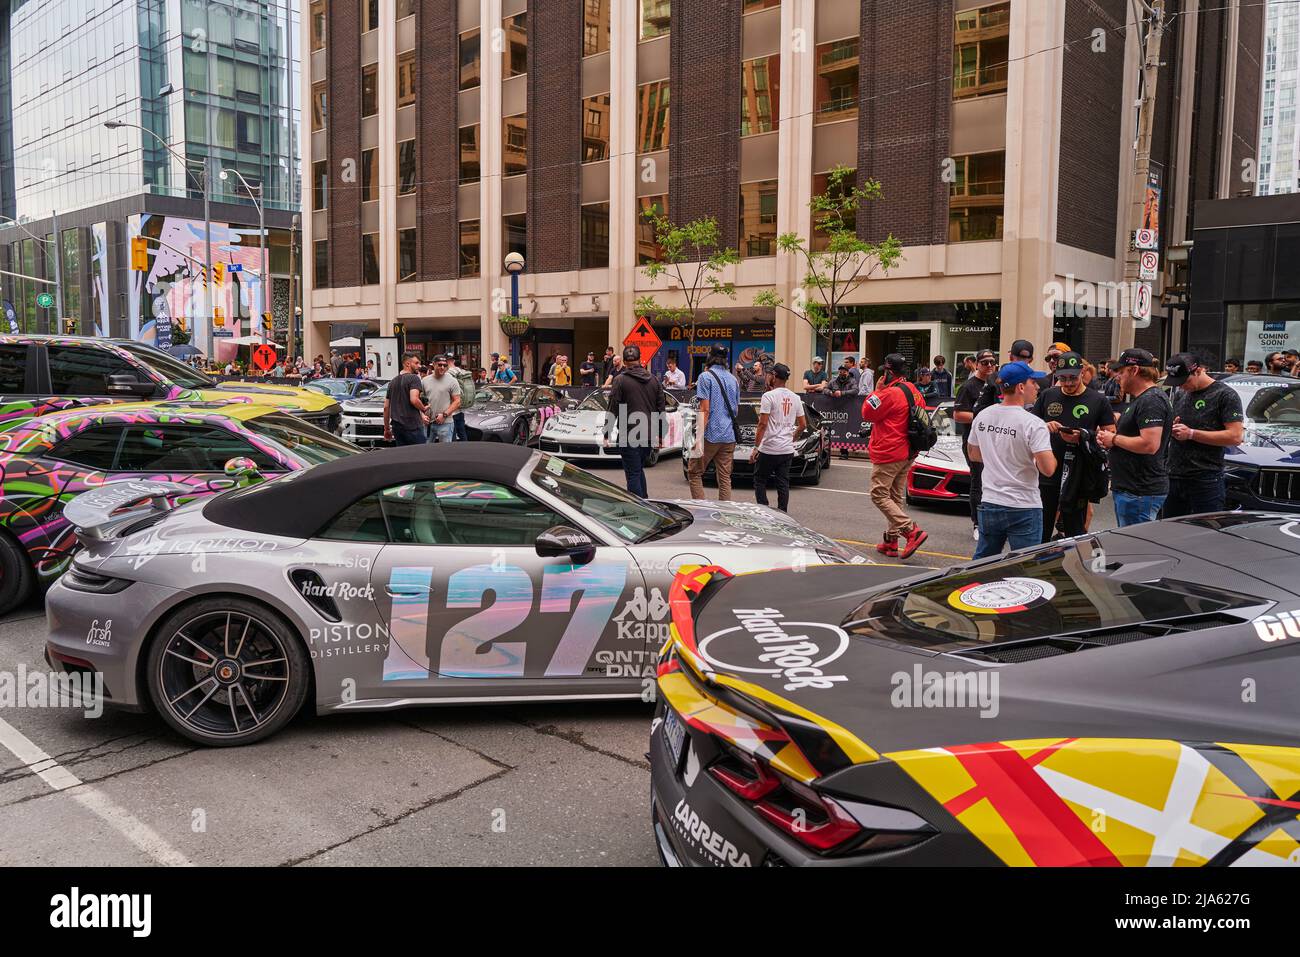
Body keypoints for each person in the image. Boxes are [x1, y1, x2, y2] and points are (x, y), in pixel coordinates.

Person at [967, 362, 1056, 558]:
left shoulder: (983, 416)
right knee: (1026, 566)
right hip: (1024, 505)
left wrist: (998, 457)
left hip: (991, 501)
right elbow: (1048, 469)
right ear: (1021, 387)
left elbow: (973, 454)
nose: (1038, 386)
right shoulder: (1033, 424)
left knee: (982, 562)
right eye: (1034, 381)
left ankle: (974, 588)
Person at [1031, 351, 1115, 542]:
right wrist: (1044, 427)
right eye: (1063, 378)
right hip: (1048, 469)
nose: (1068, 383)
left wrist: (1084, 436)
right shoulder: (1047, 395)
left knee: (1074, 531)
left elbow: (1110, 434)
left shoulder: (1097, 400)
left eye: (1073, 378)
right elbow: (1030, 428)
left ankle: (1074, 568)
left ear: (1083, 371)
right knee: (1041, 528)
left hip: (1078, 473)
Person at [860, 354, 928, 560]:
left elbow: (866, 412)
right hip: (908, 452)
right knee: (895, 497)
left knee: (879, 494)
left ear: (889, 372)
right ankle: (891, 541)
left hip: (890, 451)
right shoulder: (914, 391)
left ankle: (911, 531)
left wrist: (878, 390)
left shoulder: (888, 394)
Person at [1096, 348, 1172, 527]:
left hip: (1139, 491)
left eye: (1121, 372)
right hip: (1131, 489)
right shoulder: (1142, 399)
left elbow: (1149, 444)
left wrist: (1113, 439)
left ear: (1134, 370)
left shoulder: (1151, 400)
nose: (1117, 377)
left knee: (1136, 551)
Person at [1162, 352, 1245, 517]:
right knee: (1170, 534)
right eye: (1177, 383)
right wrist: (1172, 427)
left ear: (1199, 371)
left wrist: (1192, 434)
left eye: (1185, 381)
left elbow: (1235, 437)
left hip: (1205, 478)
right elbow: (1181, 426)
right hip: (1174, 475)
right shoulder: (1181, 394)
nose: (1182, 386)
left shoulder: (1225, 395)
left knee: (1205, 533)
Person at [607, 345, 665, 498]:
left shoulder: (620, 380)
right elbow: (661, 409)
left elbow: (613, 407)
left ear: (624, 362)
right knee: (637, 469)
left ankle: (639, 508)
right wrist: (660, 434)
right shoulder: (654, 380)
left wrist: (606, 433)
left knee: (633, 473)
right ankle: (644, 501)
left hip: (629, 432)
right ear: (640, 360)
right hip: (648, 433)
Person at [953, 348, 998, 540]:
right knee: (978, 481)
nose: (989, 366)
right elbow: (958, 415)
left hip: (997, 441)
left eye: (992, 362)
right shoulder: (968, 386)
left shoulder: (998, 384)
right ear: (976, 364)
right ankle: (977, 523)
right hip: (975, 441)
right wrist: (985, 418)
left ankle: (993, 521)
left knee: (995, 482)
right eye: (985, 362)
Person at [749, 364, 805, 512]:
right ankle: (782, 513)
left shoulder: (768, 396)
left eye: (770, 375)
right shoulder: (796, 397)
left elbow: (762, 424)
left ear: (774, 376)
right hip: (786, 449)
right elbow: (802, 425)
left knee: (760, 480)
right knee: (783, 483)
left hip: (769, 448)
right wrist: (792, 438)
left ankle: (764, 510)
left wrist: (756, 448)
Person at [688, 345, 741, 501]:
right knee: (724, 478)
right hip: (729, 435)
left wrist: (698, 439)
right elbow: (736, 410)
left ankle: (702, 510)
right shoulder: (733, 380)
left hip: (710, 434)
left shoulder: (705, 377)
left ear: (709, 357)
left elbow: (705, 410)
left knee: (694, 472)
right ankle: (725, 513)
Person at [383, 353, 430, 446]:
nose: (419, 366)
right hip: (413, 426)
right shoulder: (414, 378)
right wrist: (423, 409)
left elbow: (386, 407)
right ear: (408, 364)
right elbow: (414, 399)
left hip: (397, 427)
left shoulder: (392, 382)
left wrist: (387, 429)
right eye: (416, 363)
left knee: (403, 457)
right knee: (420, 456)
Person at [420, 354, 462, 443]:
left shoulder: (452, 381)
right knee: (425, 452)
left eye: (445, 365)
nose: (442, 367)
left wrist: (444, 415)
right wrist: (422, 415)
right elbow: (418, 400)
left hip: (445, 423)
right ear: (433, 364)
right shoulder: (424, 381)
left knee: (444, 453)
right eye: (439, 365)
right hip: (428, 423)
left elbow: (457, 401)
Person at [448, 354, 476, 441]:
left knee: (452, 434)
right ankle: (466, 450)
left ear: (447, 361)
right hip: (461, 408)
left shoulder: (449, 373)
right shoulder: (462, 371)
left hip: (452, 410)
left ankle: (453, 452)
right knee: (462, 432)